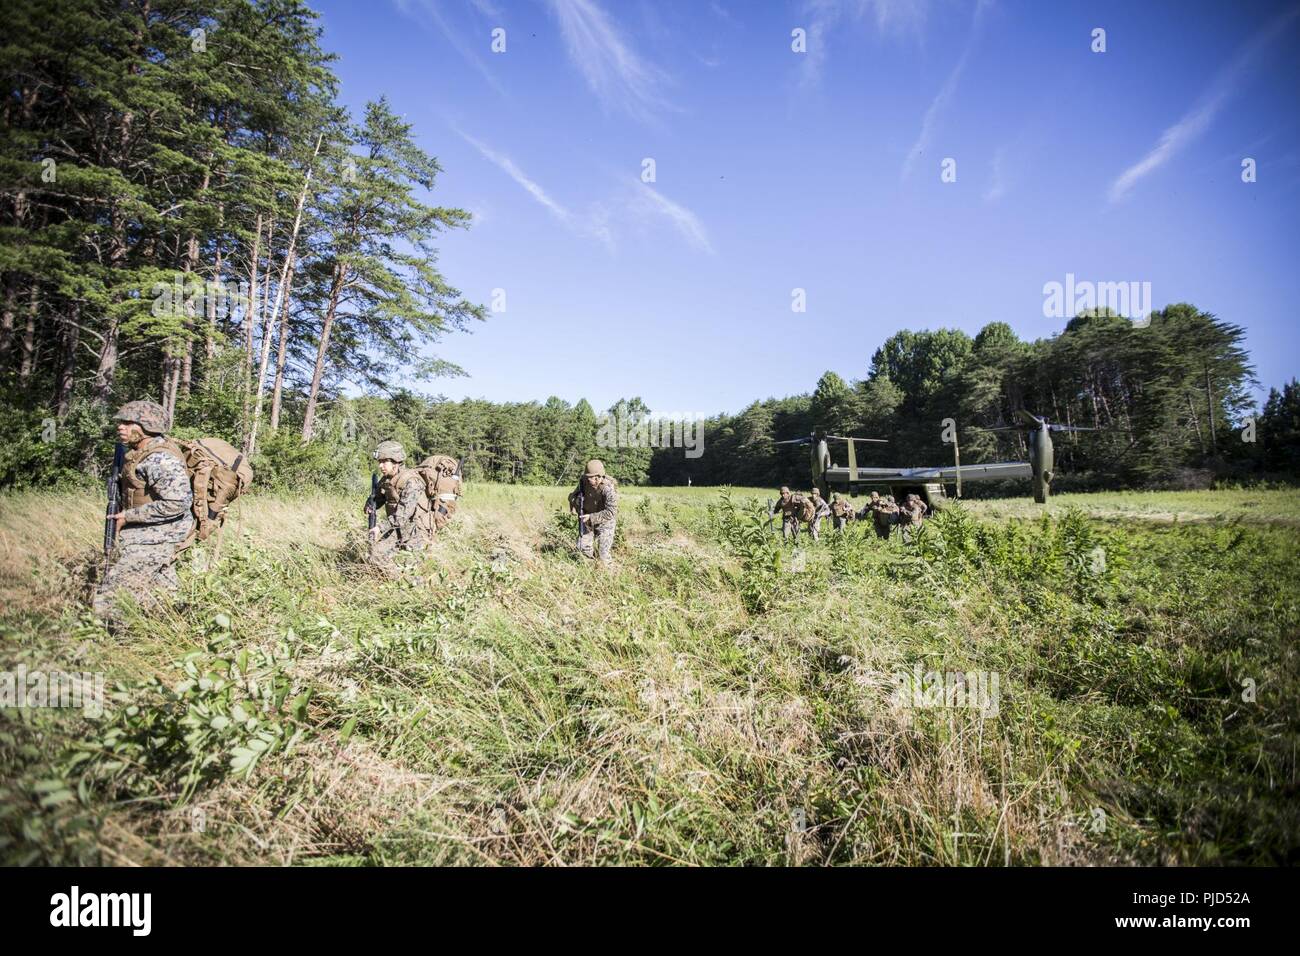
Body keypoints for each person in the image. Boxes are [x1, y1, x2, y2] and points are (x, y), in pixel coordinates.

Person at [94, 400, 195, 622]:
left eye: (128, 423)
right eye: (121, 422)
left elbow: (178, 502)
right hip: (150, 533)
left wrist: (128, 516)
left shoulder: (160, 458)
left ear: (145, 427)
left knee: (111, 594)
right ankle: (170, 629)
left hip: (160, 535)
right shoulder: (138, 453)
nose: (121, 427)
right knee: (162, 597)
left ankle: (102, 639)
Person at [368, 440, 431, 572]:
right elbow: (379, 498)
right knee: (375, 555)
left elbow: (402, 517)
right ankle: (391, 585)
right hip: (396, 530)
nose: (380, 466)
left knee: (412, 572)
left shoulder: (412, 482)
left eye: (384, 462)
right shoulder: (387, 479)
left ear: (396, 462)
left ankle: (401, 585)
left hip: (415, 532)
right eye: (379, 462)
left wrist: (379, 528)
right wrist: (370, 504)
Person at [569, 459, 618, 566]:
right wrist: (574, 503)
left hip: (605, 521)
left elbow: (611, 512)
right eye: (587, 477)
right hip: (587, 517)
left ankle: (608, 574)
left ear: (598, 477)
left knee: (603, 554)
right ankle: (590, 570)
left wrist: (591, 517)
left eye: (590, 477)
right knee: (583, 548)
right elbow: (573, 495)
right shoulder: (583, 482)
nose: (587, 479)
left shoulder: (608, 489)